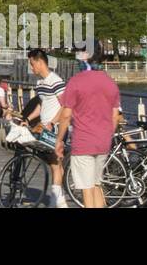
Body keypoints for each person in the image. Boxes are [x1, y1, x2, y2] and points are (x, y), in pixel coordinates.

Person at [52, 51, 123, 209]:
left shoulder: (76, 81)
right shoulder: (110, 82)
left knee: (87, 189)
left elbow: (66, 115)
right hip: (103, 142)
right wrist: (107, 135)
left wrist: (59, 140)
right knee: (96, 185)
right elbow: (115, 115)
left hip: (84, 142)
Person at [26, 48, 68, 207]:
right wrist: (28, 118)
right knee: (54, 163)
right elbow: (42, 105)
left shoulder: (55, 80)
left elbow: (66, 105)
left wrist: (52, 122)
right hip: (45, 128)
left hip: (56, 128)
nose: (31, 68)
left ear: (39, 61)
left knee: (55, 163)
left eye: (32, 64)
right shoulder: (40, 83)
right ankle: (58, 199)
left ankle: (57, 200)